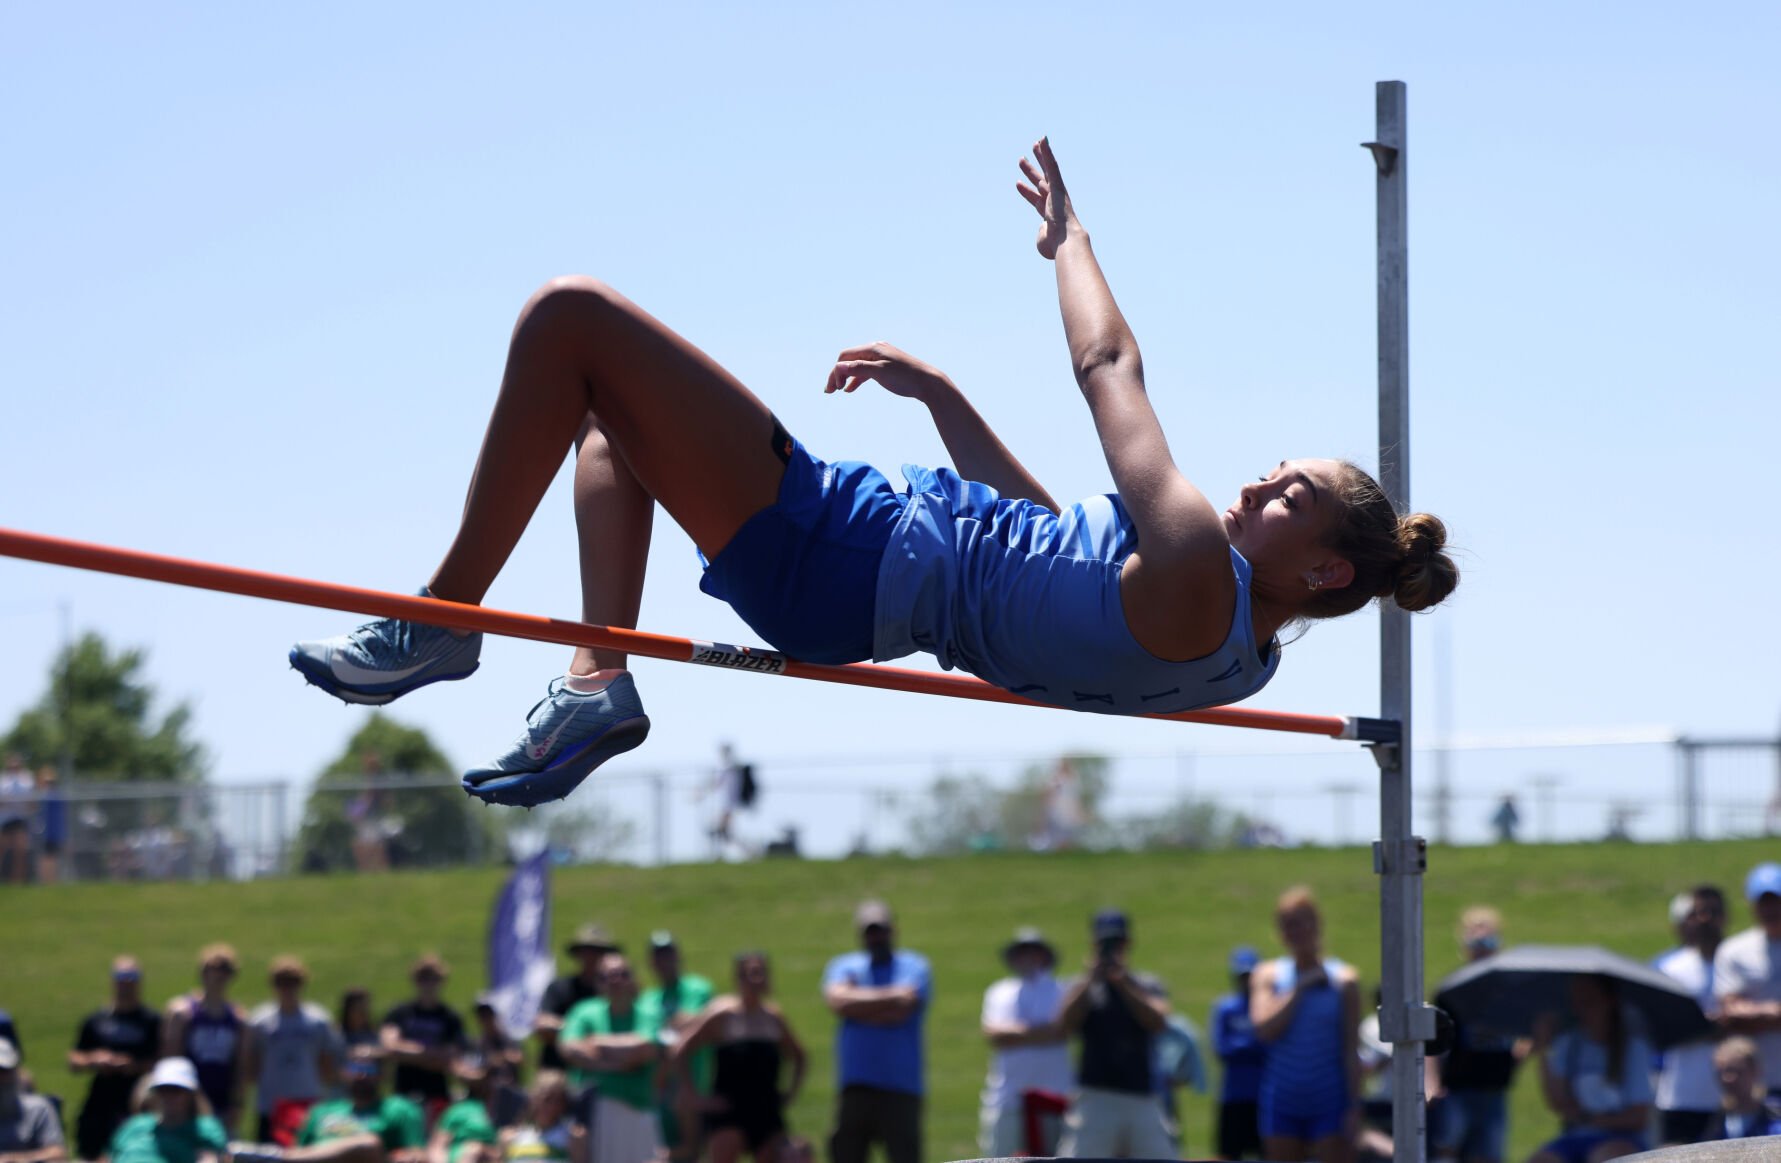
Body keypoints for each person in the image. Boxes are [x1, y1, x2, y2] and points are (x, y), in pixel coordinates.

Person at [286, 138, 1459, 809]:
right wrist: (948, 400)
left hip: (854, 549)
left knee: (569, 319)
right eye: (1272, 470)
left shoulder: (1201, 562)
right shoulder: (1225, 656)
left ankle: (439, 620)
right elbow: (1043, 552)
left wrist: (1071, 247)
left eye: (1287, 493)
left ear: (1320, 566)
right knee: (610, 436)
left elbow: (1108, 366)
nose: (1254, 483)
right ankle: (597, 679)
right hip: (857, 583)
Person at [1250, 887, 1361, 1163]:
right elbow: (1264, 1028)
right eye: (1288, 925)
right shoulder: (1269, 975)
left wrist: (1355, 1107)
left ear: (1317, 924)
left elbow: (1351, 1048)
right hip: (1283, 1097)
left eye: (1302, 921)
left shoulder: (1344, 980)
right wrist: (1300, 988)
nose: (1297, 931)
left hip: (1328, 1098)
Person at [1055, 909, 1172, 1159]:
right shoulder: (1082, 985)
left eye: (1117, 942)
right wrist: (1090, 978)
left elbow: (1158, 1021)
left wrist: (1124, 983)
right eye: (1106, 943)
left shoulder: (1145, 983)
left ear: (1128, 943)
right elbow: (1065, 1024)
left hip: (1142, 1097)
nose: (1112, 948)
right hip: (1096, 1097)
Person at [670, 952, 807, 1163]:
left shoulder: (772, 1017)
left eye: (761, 973)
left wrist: (790, 1093)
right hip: (729, 1109)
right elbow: (681, 1050)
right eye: (751, 974)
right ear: (738, 978)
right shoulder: (723, 1015)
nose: (756, 980)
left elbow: (799, 1056)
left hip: (766, 1109)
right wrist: (695, 1097)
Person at [821, 900, 929, 1163]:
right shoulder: (843, 965)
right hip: (855, 1086)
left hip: (901, 1087)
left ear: (893, 929)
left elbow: (901, 1011)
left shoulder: (914, 965)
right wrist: (892, 996)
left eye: (881, 930)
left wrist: (857, 1005)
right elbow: (838, 1001)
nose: (876, 937)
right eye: (870, 931)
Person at [1428, 907, 1523, 1163]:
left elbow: (1529, 1028)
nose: (1483, 949)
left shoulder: (1508, 990)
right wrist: (1431, 1082)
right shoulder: (1452, 989)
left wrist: (1520, 1054)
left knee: (1488, 1154)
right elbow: (1431, 1042)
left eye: (1489, 942)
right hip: (1458, 1087)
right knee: (1448, 1149)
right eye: (1477, 942)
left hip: (1494, 1088)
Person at [1525, 975, 1653, 1163]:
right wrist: (1543, 1049)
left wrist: (1591, 1120)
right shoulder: (1569, 1044)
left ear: (1609, 1001)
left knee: (1605, 1158)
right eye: (1576, 1001)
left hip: (1622, 1138)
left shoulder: (1633, 1049)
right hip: (1576, 1137)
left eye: (1589, 1001)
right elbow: (1558, 1103)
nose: (1581, 1009)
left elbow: (1638, 1117)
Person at [559, 954, 662, 1163]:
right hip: (597, 1111)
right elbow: (569, 1048)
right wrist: (619, 1064)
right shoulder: (584, 1011)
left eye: (622, 975)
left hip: (638, 1109)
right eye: (608, 976)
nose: (616, 981)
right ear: (599, 982)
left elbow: (644, 1047)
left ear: (632, 979)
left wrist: (597, 1043)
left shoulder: (648, 1012)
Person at [978, 928, 1070, 1157]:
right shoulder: (999, 991)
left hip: (1055, 1095)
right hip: (1008, 1098)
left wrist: (1017, 1034)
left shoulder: (1060, 989)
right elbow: (994, 1035)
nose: (1027, 958)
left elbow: (1062, 1031)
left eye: (1033, 952)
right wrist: (1039, 1033)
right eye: (1022, 953)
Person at [1652, 885, 1727, 1145]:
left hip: (1732, 1090)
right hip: (1681, 1093)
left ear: (1725, 917)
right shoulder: (1671, 968)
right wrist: (1708, 1027)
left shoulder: (1739, 960)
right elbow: (1658, 1026)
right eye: (1697, 913)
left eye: (1713, 912)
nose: (1705, 919)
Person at [68, 955, 162, 1161]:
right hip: (100, 1100)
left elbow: (161, 1060)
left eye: (131, 978)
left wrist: (132, 1065)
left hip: (137, 1101)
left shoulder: (152, 1021)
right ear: (113, 980)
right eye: (121, 978)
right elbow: (74, 1059)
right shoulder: (97, 1019)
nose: (125, 985)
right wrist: (95, 1059)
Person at [245, 956, 338, 1143]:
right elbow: (250, 1067)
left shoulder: (318, 1020)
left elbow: (327, 1065)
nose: (287, 988)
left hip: (308, 1103)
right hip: (271, 1105)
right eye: (281, 982)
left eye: (293, 982)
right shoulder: (259, 1021)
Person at [641, 933, 714, 1163]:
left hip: (695, 1083)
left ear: (678, 956)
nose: (664, 961)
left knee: (694, 1150)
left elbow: (701, 1021)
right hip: (660, 1087)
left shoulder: (698, 987)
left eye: (668, 954)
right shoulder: (647, 999)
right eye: (658, 956)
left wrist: (667, 1026)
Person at [161, 944, 249, 1135]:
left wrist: (237, 1104)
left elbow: (241, 1067)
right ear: (202, 972)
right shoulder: (183, 1013)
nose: (218, 975)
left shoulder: (237, 1018)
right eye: (213, 968)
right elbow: (170, 1060)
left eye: (225, 969)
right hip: (186, 1102)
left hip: (221, 1103)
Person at [1714, 862, 1781, 1091]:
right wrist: (1772, 1012)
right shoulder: (1735, 950)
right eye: (1764, 903)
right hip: (1756, 1085)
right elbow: (1730, 1012)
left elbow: (1743, 1014)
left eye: (1776, 902)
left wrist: (1755, 1016)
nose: (1771, 909)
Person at [380, 956, 467, 1118]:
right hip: (404, 1092)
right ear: (416, 981)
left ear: (441, 981)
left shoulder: (450, 1017)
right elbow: (390, 1047)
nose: (428, 984)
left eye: (433, 978)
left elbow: (452, 1057)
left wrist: (407, 1052)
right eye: (423, 978)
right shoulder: (399, 1013)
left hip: (437, 1092)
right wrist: (431, 1054)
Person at [295, 1058, 427, 1162]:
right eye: (355, 1069)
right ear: (344, 1073)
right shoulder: (321, 1111)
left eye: (369, 1070)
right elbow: (298, 1150)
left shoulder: (400, 1109)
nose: (361, 1075)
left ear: (382, 1075)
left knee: (367, 1144)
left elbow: (417, 1154)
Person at [104, 1058, 226, 1163]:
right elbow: (109, 1156)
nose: (169, 1096)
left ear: (190, 1094)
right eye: (163, 1089)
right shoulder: (135, 1125)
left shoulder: (205, 1129)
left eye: (176, 1090)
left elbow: (213, 1156)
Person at [534, 925, 619, 1073]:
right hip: (558, 1070)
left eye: (597, 952)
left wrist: (563, 1030)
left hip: (598, 1073)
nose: (592, 957)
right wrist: (581, 1031)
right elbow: (543, 1026)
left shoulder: (613, 993)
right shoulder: (560, 988)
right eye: (587, 951)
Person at [1211, 946, 1267, 1161]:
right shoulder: (1226, 1008)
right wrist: (1252, 1043)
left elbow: (1270, 1047)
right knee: (1228, 1155)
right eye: (1242, 976)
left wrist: (1242, 1047)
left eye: (1250, 976)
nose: (1246, 981)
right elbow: (1221, 1049)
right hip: (1232, 1096)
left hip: (1261, 1096)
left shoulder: (1266, 1007)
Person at [1703, 1036, 1781, 1140]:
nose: (1727, 1079)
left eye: (1736, 1071)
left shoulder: (1774, 1114)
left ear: (1755, 1070)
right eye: (1721, 1072)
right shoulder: (1716, 1121)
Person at [497, 1072, 586, 1163]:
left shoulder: (573, 1137)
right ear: (533, 1099)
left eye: (558, 1100)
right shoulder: (508, 1138)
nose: (552, 1106)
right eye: (547, 1099)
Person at [0, 1038, 64, 1163]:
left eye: (4, 1071)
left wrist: (18, 1159)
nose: (1, 1078)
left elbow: (58, 1154)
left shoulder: (38, 1108)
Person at [0, 754, 34, 886]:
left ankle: (17, 881)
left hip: (20, 819)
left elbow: (31, 802)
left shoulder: (27, 780)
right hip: (5, 820)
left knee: (20, 850)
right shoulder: (2, 780)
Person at [30, 768, 64, 886]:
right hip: (43, 833)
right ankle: (46, 882)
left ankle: (49, 882)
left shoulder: (52, 795)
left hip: (51, 833)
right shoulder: (43, 795)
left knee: (50, 858)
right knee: (45, 858)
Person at [338, 990, 385, 1066]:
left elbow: (386, 1052)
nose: (364, 1012)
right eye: (358, 1008)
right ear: (348, 1010)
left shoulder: (373, 1032)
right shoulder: (336, 1033)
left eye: (366, 1008)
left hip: (371, 1076)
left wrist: (369, 1052)